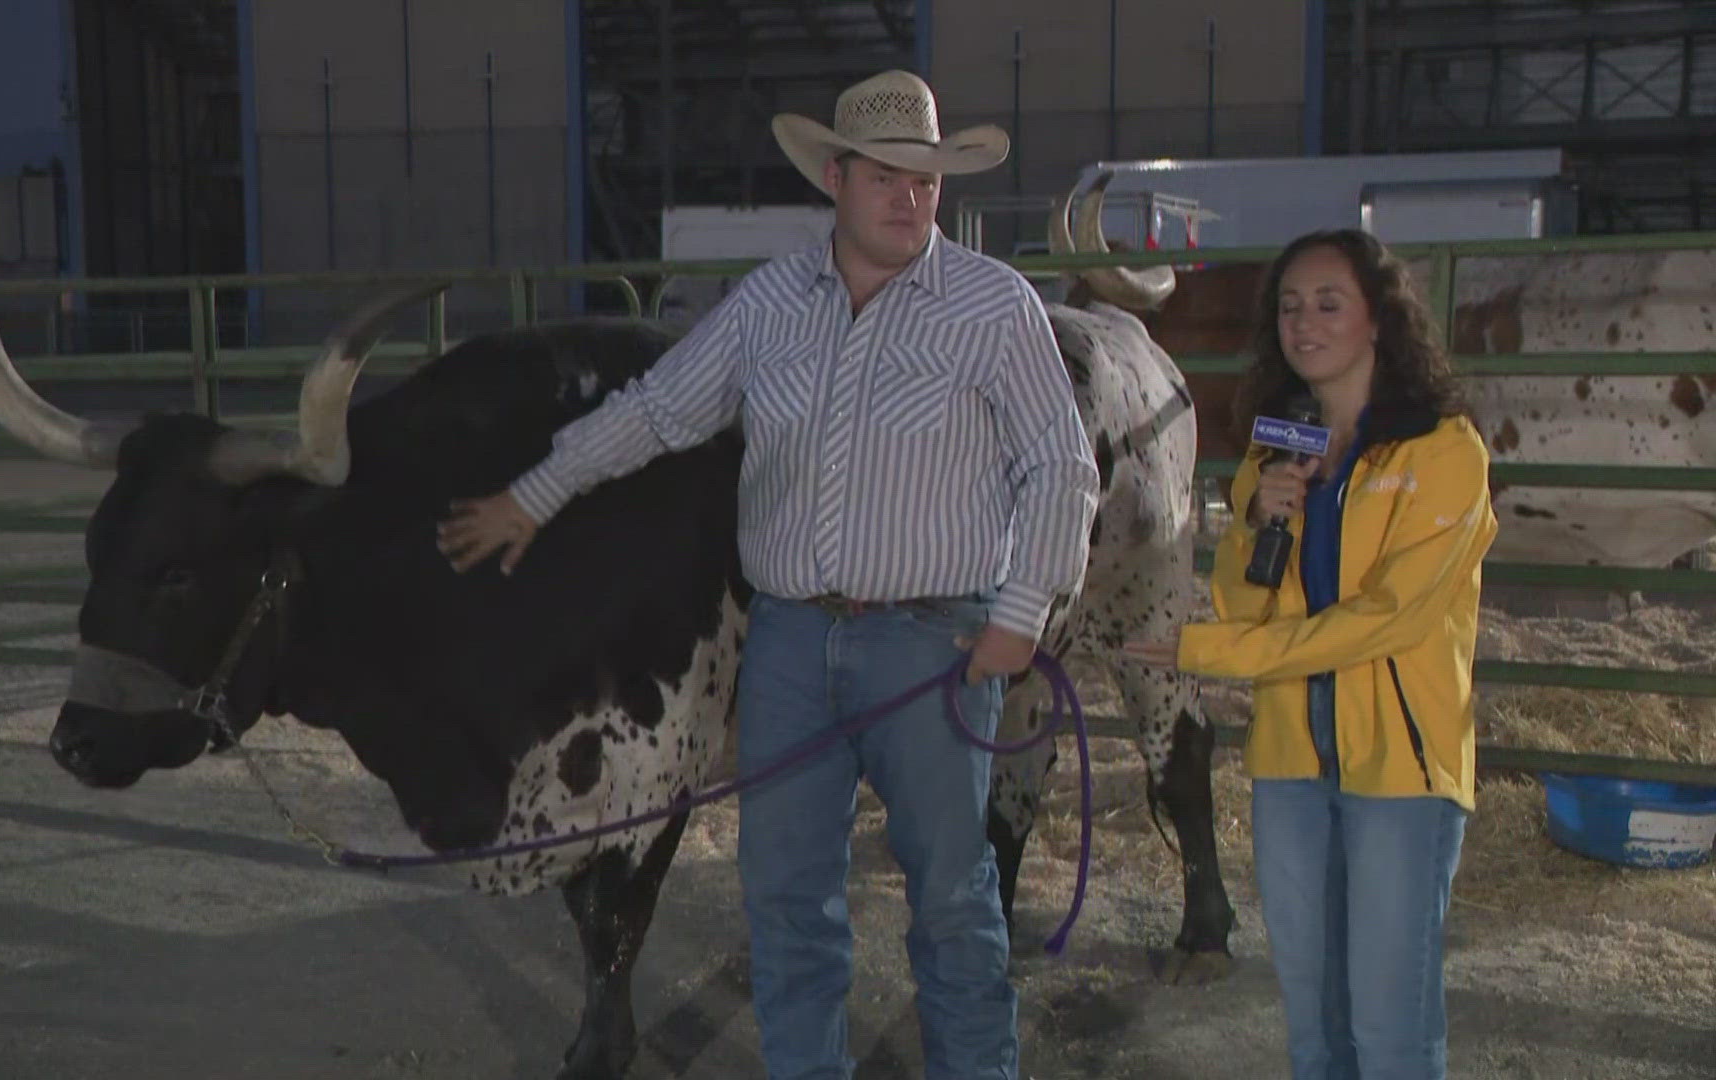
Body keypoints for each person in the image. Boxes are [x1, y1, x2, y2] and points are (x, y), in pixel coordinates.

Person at [438, 70, 1098, 1080]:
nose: (910, 198)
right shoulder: (770, 305)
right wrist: (536, 491)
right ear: (835, 178)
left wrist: (1021, 609)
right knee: (788, 901)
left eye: (926, 180)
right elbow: (661, 409)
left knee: (955, 904)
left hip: (933, 641)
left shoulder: (992, 307)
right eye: (886, 176)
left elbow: (1059, 462)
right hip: (789, 641)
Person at [1126, 228, 1497, 1080]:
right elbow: (1244, 600)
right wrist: (1259, 524)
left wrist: (1206, 652)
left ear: (1379, 321)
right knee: (1314, 1029)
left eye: (1330, 303)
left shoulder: (1444, 452)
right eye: (1290, 307)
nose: (1305, 323)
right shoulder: (1271, 455)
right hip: (1292, 765)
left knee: (1390, 1032)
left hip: (1399, 770)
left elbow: (1388, 620)